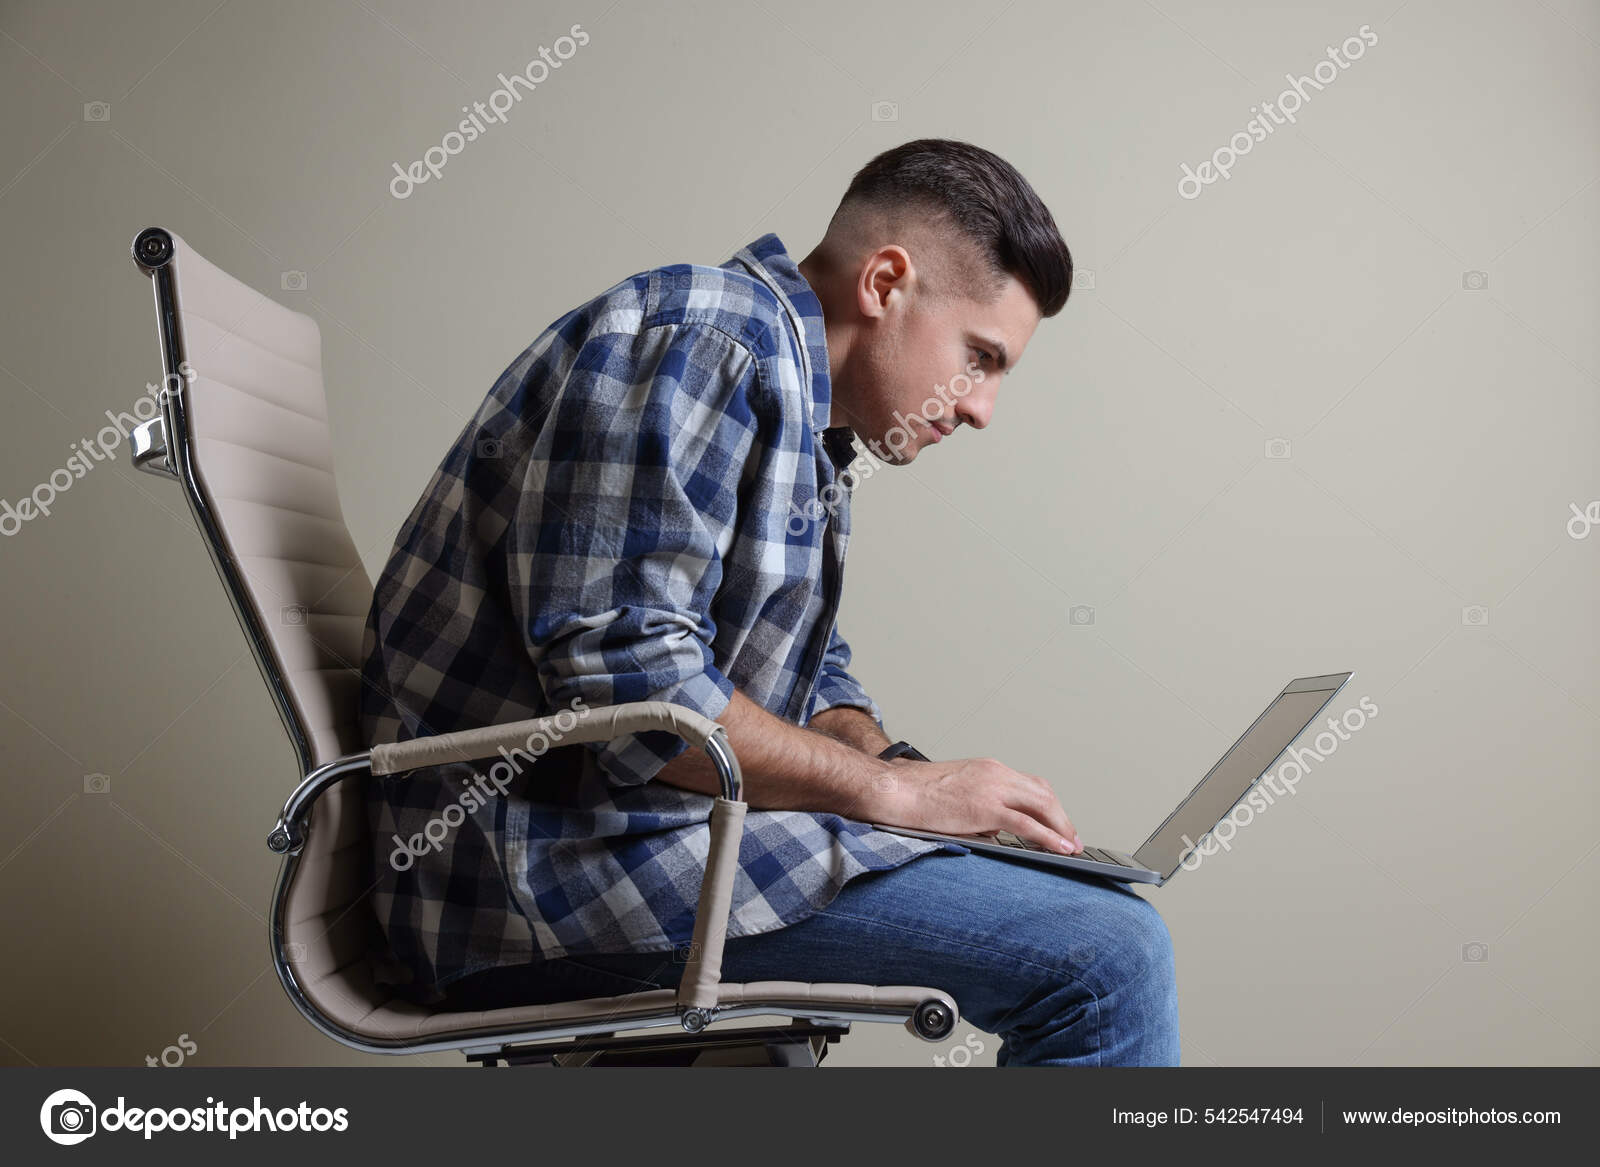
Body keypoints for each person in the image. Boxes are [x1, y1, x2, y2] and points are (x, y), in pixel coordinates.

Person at [361, 138, 1179, 1065]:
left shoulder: (804, 417)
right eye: (980, 356)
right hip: (536, 876)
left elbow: (802, 666)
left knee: (1095, 913)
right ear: (885, 283)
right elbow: (635, 702)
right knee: (1108, 959)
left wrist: (904, 770)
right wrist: (891, 792)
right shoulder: (704, 339)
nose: (982, 407)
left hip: (632, 841)